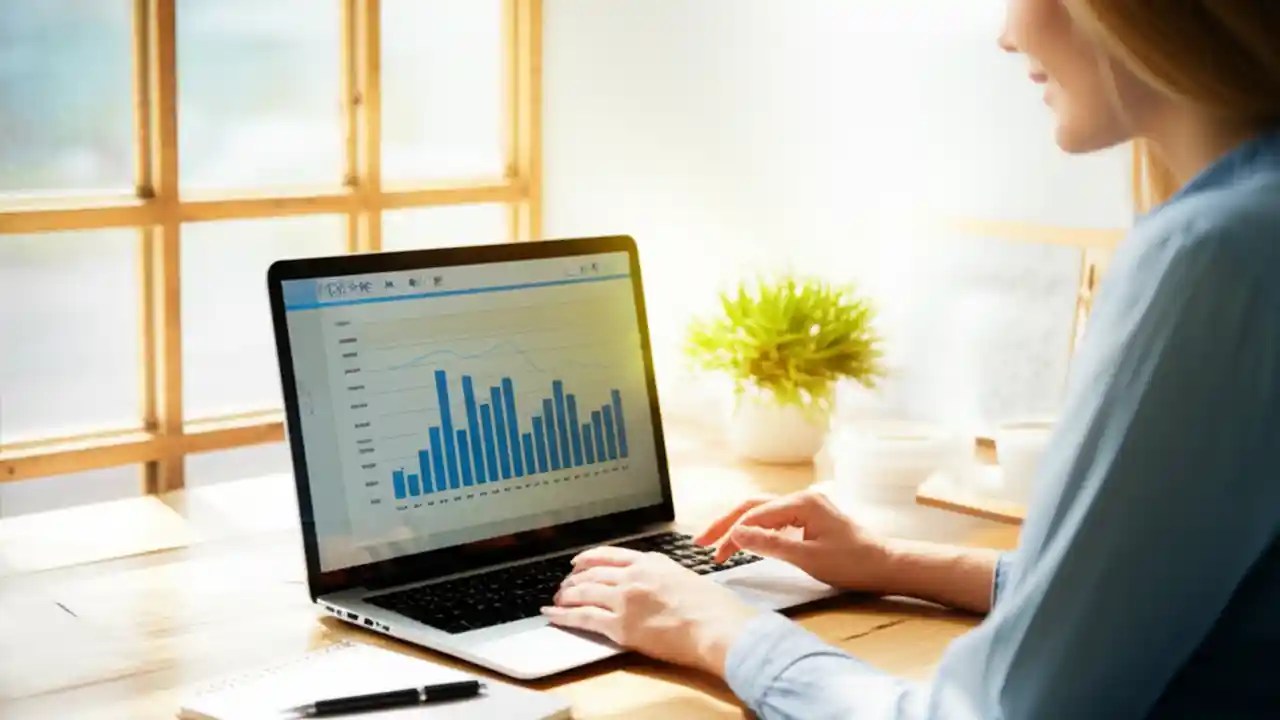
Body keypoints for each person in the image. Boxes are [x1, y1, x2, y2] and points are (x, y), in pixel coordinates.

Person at [543, 1, 1280, 717]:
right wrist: (897, 562)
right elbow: (1161, 593)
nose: (1007, 32)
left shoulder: (1212, 256)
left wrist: (716, 626)